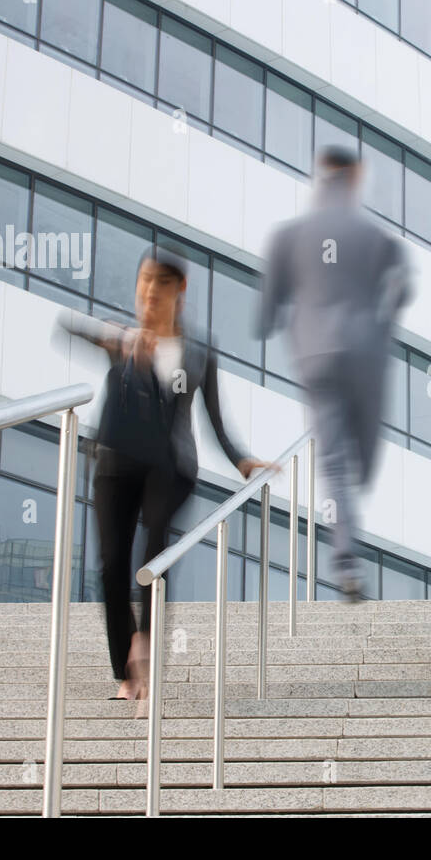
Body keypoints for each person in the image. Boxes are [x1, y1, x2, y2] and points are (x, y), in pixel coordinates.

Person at [59, 247, 266, 700]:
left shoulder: (196, 353)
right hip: (115, 464)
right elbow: (65, 326)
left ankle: (147, 657)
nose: (150, 294)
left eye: (161, 285)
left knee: (152, 559)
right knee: (111, 567)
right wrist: (114, 338)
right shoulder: (124, 340)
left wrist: (241, 460)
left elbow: (214, 418)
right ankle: (126, 674)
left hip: (169, 467)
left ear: (180, 292)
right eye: (144, 284)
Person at [257, 145, 413, 602]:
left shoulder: (289, 235)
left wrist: (294, 318)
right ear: (357, 176)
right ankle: (350, 531)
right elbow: (403, 284)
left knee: (334, 463)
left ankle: (345, 558)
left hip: (316, 356)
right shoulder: (376, 237)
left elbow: (265, 313)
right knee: (362, 454)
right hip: (366, 351)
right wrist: (381, 317)